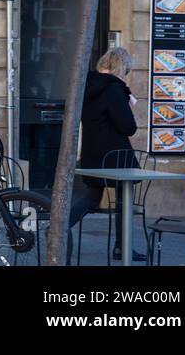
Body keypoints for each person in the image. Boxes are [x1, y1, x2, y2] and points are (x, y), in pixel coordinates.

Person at [68, 46, 144, 262]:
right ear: (122, 67)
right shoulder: (112, 89)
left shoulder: (89, 86)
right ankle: (122, 247)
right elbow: (128, 126)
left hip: (93, 150)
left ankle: (60, 228)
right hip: (114, 154)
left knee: (92, 197)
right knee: (124, 200)